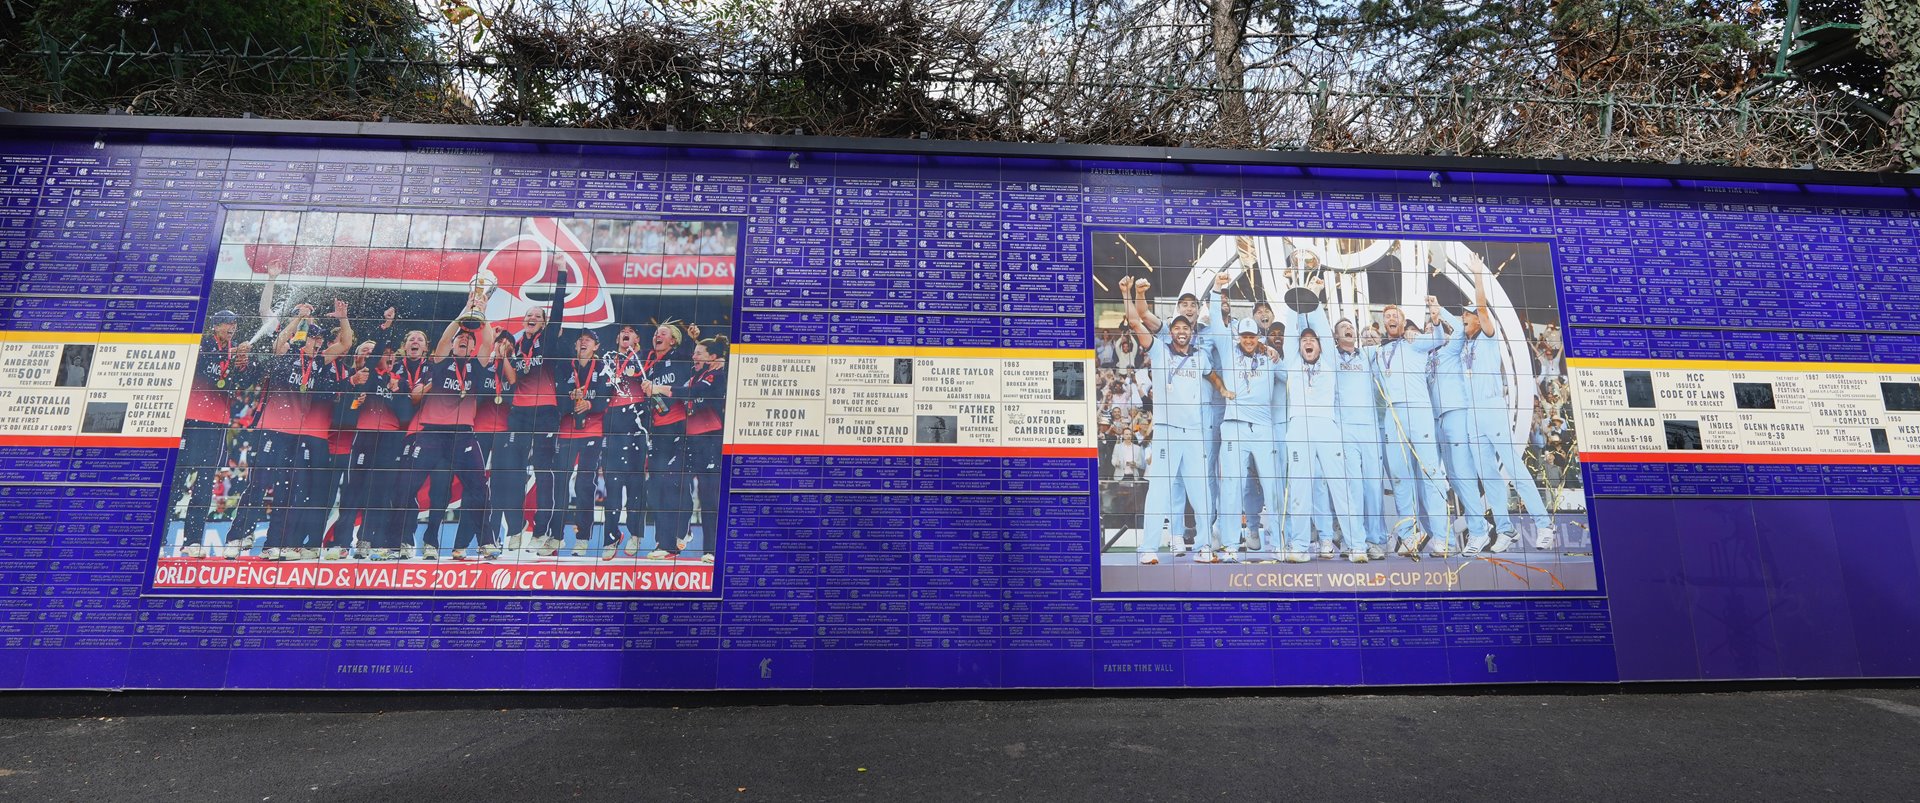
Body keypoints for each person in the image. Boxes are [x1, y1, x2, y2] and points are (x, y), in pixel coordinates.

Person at [1122, 275, 1223, 565]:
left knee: (1201, 491)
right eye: (1176, 326)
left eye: (1186, 327)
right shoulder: (1159, 348)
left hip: (1195, 430)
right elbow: (1137, 320)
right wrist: (1129, 293)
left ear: (1191, 332)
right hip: (1167, 431)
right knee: (1160, 491)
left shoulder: (1199, 354)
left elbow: (1213, 377)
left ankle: (1205, 547)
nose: (1181, 330)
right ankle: (1149, 548)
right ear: (1171, 329)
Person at [1461, 273, 1559, 553]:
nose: (1464, 318)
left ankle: (1543, 524)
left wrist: (1478, 276)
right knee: (1487, 473)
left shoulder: (1489, 337)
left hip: (1492, 408)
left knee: (1513, 468)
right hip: (1472, 414)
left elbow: (1482, 307)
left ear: (1479, 319)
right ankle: (1505, 529)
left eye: (1468, 315)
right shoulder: (1465, 343)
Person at [398, 310, 496, 561]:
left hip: (463, 434)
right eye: (459, 338)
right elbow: (443, 339)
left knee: (478, 488)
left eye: (469, 340)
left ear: (473, 347)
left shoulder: (477, 364)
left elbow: (488, 341)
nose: (464, 340)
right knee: (408, 488)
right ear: (453, 343)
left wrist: (480, 312)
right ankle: (404, 542)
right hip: (431, 433)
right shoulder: (440, 361)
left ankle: (486, 542)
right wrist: (462, 316)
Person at [1283, 288, 1369, 563]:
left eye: (1313, 340)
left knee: (1340, 487)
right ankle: (1298, 546)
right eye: (1304, 340)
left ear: (1322, 345)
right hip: (1298, 427)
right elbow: (1289, 333)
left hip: (1327, 427)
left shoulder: (1330, 361)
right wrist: (1293, 302)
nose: (1308, 343)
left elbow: (1319, 325)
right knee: (1300, 487)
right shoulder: (1293, 362)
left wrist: (1315, 300)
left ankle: (1357, 545)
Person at [1373, 300, 1453, 557]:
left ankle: (1442, 537)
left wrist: (1436, 318)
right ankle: (1408, 537)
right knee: (1399, 477)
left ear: (1403, 320)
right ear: (1384, 323)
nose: (1390, 319)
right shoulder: (1377, 352)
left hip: (1418, 410)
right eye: (1387, 316)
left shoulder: (1414, 342)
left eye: (1395, 315)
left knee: (1430, 473)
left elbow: (1439, 337)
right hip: (1392, 414)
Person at [175, 309, 257, 558]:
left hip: (217, 424)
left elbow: (246, 382)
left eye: (234, 323)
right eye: (226, 323)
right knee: (176, 483)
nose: (231, 328)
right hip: (189, 420)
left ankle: (192, 541)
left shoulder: (234, 353)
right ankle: (157, 535)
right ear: (215, 326)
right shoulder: (201, 344)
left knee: (202, 485)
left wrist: (246, 363)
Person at [499, 280, 569, 555]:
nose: (532, 318)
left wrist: (562, 275)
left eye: (537, 316)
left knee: (543, 472)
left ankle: (542, 531)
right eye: (529, 315)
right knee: (513, 473)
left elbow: (559, 309)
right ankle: (516, 530)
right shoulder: (516, 345)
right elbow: (514, 378)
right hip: (519, 412)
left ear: (544, 323)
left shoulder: (548, 341)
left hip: (546, 411)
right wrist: (504, 356)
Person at [335, 338, 414, 560]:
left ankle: (370, 541)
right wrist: (386, 330)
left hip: (389, 439)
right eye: (383, 353)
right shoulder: (367, 377)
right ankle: (341, 542)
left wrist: (397, 393)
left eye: (391, 354)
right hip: (365, 436)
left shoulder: (400, 381)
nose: (387, 357)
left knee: (381, 493)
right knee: (353, 491)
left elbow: (406, 415)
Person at [1428, 296, 1494, 556]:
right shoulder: (1427, 358)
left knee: (1463, 473)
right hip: (1438, 419)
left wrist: (1438, 309)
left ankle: (1478, 530)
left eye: (1432, 326)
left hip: (1456, 412)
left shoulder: (1452, 348)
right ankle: (1480, 524)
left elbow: (1456, 328)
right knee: (1454, 477)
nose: (1429, 329)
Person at [553, 328, 612, 556]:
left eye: (589, 340)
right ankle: (556, 536)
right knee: (560, 484)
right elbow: (558, 397)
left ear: (596, 346)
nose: (583, 342)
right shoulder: (566, 366)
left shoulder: (602, 367)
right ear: (576, 346)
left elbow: (607, 395)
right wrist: (571, 400)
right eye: (580, 339)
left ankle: (583, 538)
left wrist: (589, 404)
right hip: (567, 431)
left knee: (584, 485)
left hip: (592, 431)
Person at [639, 322, 693, 559]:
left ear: (673, 340)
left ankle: (680, 532)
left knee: (674, 484)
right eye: (655, 333)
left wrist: (691, 338)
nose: (657, 336)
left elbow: (690, 360)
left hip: (679, 426)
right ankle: (663, 543)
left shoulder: (680, 356)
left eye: (663, 333)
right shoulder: (650, 364)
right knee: (656, 488)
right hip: (657, 431)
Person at [599, 325, 651, 558]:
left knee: (635, 481)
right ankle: (611, 536)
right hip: (613, 419)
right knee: (612, 483)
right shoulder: (607, 360)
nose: (626, 334)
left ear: (637, 338)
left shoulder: (644, 358)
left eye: (631, 331)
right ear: (618, 338)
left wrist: (637, 358)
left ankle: (636, 533)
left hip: (637, 416)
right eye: (622, 331)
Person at [677, 335, 728, 564]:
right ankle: (682, 534)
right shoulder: (694, 375)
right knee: (681, 488)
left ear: (713, 357)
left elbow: (695, 393)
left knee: (709, 497)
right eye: (694, 352)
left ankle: (711, 550)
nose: (693, 356)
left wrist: (663, 388)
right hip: (691, 439)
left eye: (699, 353)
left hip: (711, 437)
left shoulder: (717, 373)